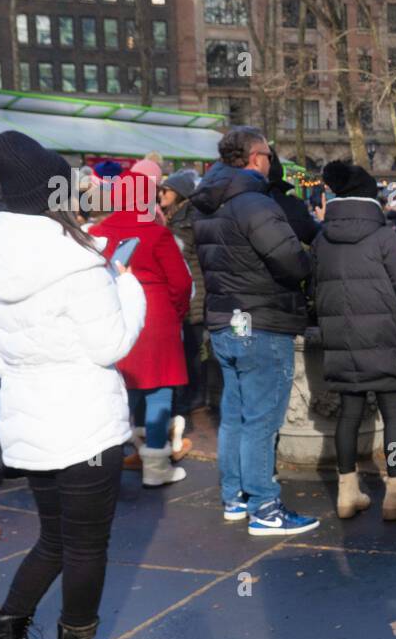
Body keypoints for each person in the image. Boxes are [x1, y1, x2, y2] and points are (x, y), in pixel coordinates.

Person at [0, 130, 146, 639]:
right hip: (85, 416)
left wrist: (22, 366)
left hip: (28, 413)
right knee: (86, 545)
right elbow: (111, 346)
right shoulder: (78, 263)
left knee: (53, 539)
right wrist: (128, 285)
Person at [192, 126, 319, 535]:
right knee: (262, 421)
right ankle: (265, 507)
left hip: (225, 321)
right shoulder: (253, 202)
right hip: (262, 320)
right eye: (267, 153)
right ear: (252, 158)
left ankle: (235, 498)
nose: (270, 160)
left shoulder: (207, 203)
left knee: (234, 417)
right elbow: (291, 260)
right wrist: (307, 268)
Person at [314, 161, 396, 522]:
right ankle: (395, 492)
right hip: (384, 338)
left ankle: (347, 493)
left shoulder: (322, 237)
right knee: (394, 416)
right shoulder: (384, 236)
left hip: (341, 338)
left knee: (349, 415)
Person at [90, 163, 192, 487]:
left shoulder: (96, 232)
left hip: (113, 312)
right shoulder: (157, 232)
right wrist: (176, 313)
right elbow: (179, 282)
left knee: (118, 392)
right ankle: (156, 465)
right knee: (159, 392)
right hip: (157, 316)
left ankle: (103, 461)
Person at [159, 168, 208, 426]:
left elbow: (178, 255)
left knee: (190, 350)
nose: (161, 194)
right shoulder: (175, 217)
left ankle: (193, 399)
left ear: (178, 194)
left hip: (191, 295)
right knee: (190, 349)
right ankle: (193, 397)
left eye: (165, 190)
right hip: (189, 292)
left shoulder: (183, 222)